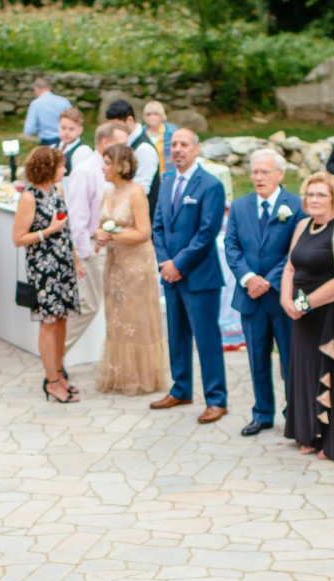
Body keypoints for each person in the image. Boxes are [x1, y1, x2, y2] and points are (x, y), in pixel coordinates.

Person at [224, 149, 305, 436]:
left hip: (281, 296)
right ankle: (262, 413)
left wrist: (267, 281)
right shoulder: (240, 206)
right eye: (255, 172)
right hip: (250, 297)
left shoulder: (296, 205)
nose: (258, 177)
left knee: (289, 359)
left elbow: (295, 249)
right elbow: (231, 246)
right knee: (257, 358)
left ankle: (293, 412)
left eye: (264, 172)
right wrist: (248, 278)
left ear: (279, 174)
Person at [281, 172, 334, 460]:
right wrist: (286, 298)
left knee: (329, 373)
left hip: (329, 311)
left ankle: (333, 440)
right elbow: (290, 268)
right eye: (310, 194)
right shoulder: (303, 224)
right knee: (304, 371)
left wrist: (307, 303)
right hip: (301, 312)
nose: (313, 200)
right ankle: (309, 432)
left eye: (321, 195)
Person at [150, 129, 227, 423]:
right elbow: (158, 226)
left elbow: (207, 233)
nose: (177, 149)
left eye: (184, 145)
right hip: (170, 275)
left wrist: (178, 264)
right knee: (176, 336)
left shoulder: (210, 185)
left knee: (206, 338)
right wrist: (164, 262)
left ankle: (216, 399)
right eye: (174, 145)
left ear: (197, 149)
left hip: (199, 276)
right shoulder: (167, 182)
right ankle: (181, 389)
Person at [94, 143, 167, 395]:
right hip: (114, 264)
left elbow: (144, 232)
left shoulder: (136, 193)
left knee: (136, 316)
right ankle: (119, 374)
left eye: (106, 163)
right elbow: (101, 225)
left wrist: (113, 236)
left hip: (136, 264)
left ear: (120, 166)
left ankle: (141, 376)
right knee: (116, 317)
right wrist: (99, 234)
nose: (102, 168)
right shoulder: (108, 192)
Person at [13, 146, 81, 402]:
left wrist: (75, 259)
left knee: (62, 319)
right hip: (43, 269)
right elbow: (18, 239)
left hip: (63, 265)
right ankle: (51, 381)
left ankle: (59, 373)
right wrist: (49, 230)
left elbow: (66, 230)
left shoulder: (58, 191)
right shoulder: (29, 197)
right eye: (61, 166)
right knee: (49, 323)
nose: (64, 170)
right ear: (47, 168)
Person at [65, 122, 128, 353]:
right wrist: (84, 255)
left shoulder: (117, 172)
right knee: (88, 306)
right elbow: (77, 219)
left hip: (118, 248)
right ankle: (55, 356)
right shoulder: (84, 171)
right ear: (105, 143)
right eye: (122, 143)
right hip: (94, 249)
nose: (126, 148)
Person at [105, 101, 160, 216]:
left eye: (116, 126)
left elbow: (143, 188)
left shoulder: (145, 149)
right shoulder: (124, 144)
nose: (113, 130)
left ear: (129, 120)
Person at [22, 78, 72, 147]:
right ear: (49, 87)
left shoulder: (36, 104)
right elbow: (73, 120)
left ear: (36, 89)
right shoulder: (64, 101)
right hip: (66, 141)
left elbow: (29, 129)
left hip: (47, 143)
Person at [57, 108, 92, 184]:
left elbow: (81, 181)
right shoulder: (53, 147)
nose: (66, 132)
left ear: (80, 130)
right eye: (63, 128)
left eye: (71, 129)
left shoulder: (82, 151)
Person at [143, 101, 178, 177]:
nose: (152, 117)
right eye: (149, 114)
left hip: (167, 175)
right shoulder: (141, 133)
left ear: (162, 116)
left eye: (156, 114)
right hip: (147, 175)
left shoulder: (172, 131)